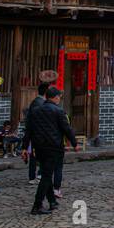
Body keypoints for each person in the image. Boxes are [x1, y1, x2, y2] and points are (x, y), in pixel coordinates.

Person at [26, 86, 77, 215]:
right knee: (47, 176)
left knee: (45, 173)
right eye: (59, 96)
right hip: (53, 147)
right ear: (55, 97)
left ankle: (52, 201)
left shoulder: (36, 111)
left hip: (39, 147)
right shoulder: (58, 111)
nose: (59, 99)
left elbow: (29, 130)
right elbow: (66, 128)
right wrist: (75, 143)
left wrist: (24, 147)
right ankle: (37, 205)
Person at [21, 81, 49, 184]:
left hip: (34, 134)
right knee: (41, 155)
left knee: (35, 155)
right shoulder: (40, 104)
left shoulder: (35, 102)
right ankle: (38, 175)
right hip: (39, 134)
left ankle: (33, 176)